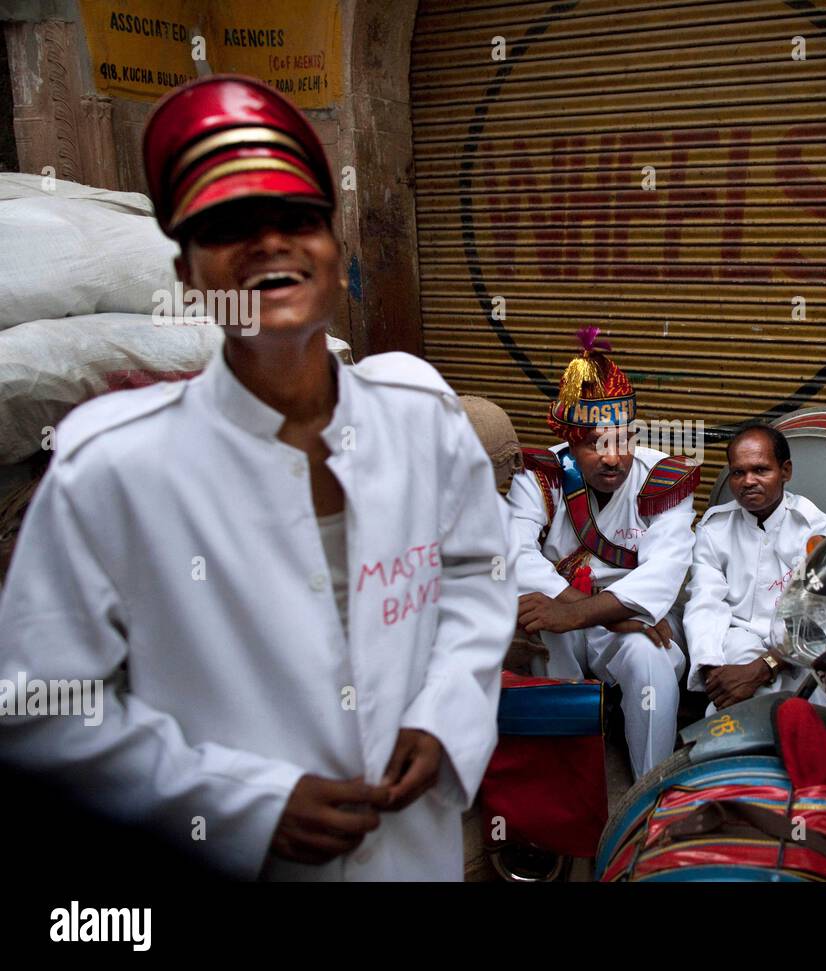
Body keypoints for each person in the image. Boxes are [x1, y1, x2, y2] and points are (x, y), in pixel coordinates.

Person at [0, 75, 516, 881]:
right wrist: (234, 800)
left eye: (298, 219)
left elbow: (477, 579)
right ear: (189, 271)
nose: (271, 243)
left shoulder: (420, 414)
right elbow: (39, 703)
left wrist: (446, 717)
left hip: (413, 849)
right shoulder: (114, 464)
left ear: (334, 248)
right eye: (231, 226)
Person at [506, 328, 698, 777]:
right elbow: (516, 559)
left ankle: (648, 795)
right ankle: (565, 783)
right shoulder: (541, 476)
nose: (613, 458)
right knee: (539, 629)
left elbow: (664, 572)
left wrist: (590, 616)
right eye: (595, 443)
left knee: (651, 661)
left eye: (622, 440)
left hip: (634, 620)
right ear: (571, 443)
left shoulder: (663, 480)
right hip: (574, 612)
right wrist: (592, 614)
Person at [684, 423, 826, 711]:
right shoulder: (715, 528)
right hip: (738, 647)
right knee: (737, 658)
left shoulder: (817, 530)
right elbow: (705, 601)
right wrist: (711, 670)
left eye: (761, 470)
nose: (748, 481)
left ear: (786, 471)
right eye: (738, 472)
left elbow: (822, 615)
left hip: (799, 656)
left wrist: (765, 666)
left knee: (803, 712)